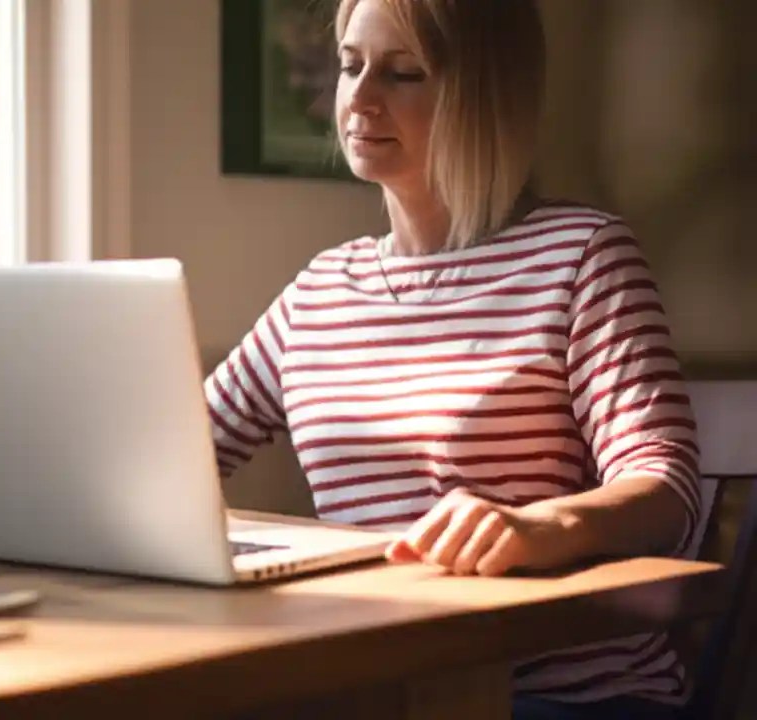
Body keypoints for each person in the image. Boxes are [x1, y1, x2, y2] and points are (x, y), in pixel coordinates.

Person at [205, 1, 701, 718]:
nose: (361, 98)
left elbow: (664, 486)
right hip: (384, 683)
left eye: (404, 73)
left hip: (564, 696)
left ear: (487, 96)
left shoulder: (582, 254)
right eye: (350, 66)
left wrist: (543, 525)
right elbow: (178, 454)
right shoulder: (319, 290)